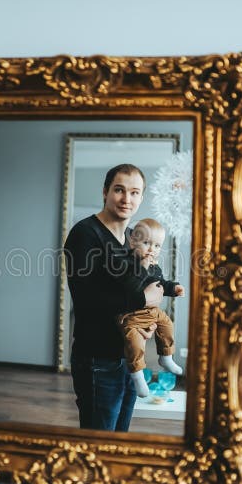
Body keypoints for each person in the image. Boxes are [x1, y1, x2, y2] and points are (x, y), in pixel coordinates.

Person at [64, 163, 164, 432]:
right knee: (99, 442)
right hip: (98, 359)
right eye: (119, 190)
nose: (126, 199)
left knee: (120, 441)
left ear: (141, 198)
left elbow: (146, 286)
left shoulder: (135, 239)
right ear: (105, 191)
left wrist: (147, 323)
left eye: (134, 192)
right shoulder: (85, 234)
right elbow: (88, 302)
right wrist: (143, 301)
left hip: (130, 359)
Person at [115, 218, 185, 398]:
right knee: (135, 344)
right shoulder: (127, 264)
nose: (151, 250)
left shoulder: (155, 267)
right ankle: (137, 374)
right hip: (131, 316)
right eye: (146, 243)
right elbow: (129, 289)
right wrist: (142, 269)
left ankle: (166, 357)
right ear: (133, 242)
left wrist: (173, 288)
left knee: (167, 325)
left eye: (157, 246)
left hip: (152, 312)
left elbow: (161, 284)